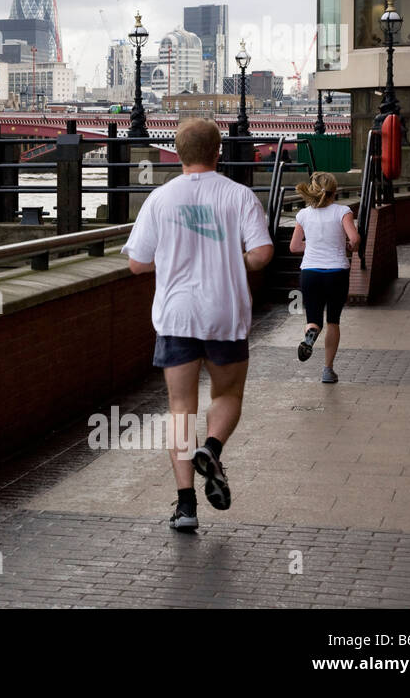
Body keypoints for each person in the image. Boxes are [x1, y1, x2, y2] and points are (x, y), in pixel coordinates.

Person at [122, 118, 274, 533]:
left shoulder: (160, 198)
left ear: (177, 153)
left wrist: (169, 260)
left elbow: (136, 263)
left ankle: (186, 506)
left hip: (177, 315)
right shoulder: (239, 195)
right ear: (218, 152)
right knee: (227, 394)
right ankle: (211, 447)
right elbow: (262, 254)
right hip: (225, 312)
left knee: (180, 409)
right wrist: (234, 261)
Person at [289, 172, 359, 383]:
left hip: (310, 272)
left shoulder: (303, 214)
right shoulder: (342, 212)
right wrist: (350, 245)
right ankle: (328, 370)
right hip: (337, 273)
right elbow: (354, 239)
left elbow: (294, 247)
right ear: (334, 191)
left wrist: (313, 245)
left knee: (313, 319)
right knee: (333, 321)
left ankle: (310, 335)